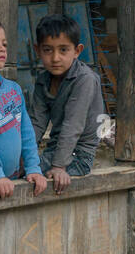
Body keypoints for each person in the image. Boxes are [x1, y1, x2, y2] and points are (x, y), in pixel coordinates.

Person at [30, 13, 104, 194]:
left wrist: (58, 166)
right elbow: (36, 124)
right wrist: (26, 156)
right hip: (54, 150)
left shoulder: (84, 79)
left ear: (77, 51)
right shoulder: (43, 80)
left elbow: (73, 125)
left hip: (79, 155)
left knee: (28, 174)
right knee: (18, 167)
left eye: (63, 50)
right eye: (48, 50)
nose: (55, 58)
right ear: (37, 50)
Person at [0, 20, 47, 198]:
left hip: (14, 180)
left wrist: (33, 168)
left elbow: (26, 132)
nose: (2, 48)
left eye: (4, 44)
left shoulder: (13, 88)